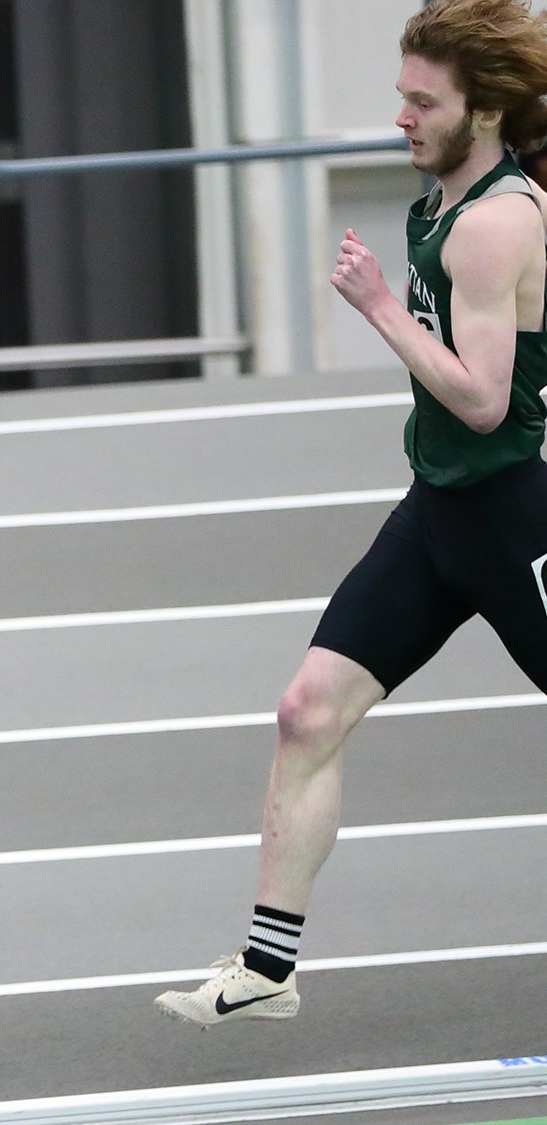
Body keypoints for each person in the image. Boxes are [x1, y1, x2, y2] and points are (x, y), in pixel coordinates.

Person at [157, 0, 547, 1028]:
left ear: (485, 109)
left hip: (519, 520)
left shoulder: (495, 220)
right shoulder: (437, 202)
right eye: (398, 98)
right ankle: (265, 969)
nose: (402, 119)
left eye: (423, 103)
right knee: (306, 712)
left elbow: (481, 398)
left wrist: (376, 307)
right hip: (440, 512)